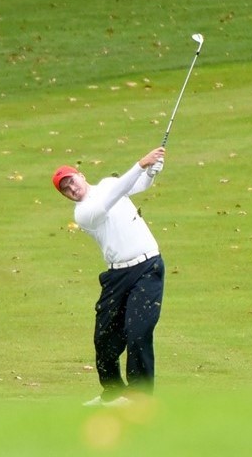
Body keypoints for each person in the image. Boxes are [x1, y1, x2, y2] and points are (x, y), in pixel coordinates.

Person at [52, 146, 167, 407]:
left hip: (148, 267)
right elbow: (112, 198)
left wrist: (151, 172)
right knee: (104, 337)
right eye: (65, 189)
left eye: (71, 181)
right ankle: (113, 393)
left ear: (80, 175)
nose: (71, 189)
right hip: (117, 276)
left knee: (138, 331)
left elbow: (137, 186)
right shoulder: (82, 214)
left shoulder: (108, 183)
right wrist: (140, 164)